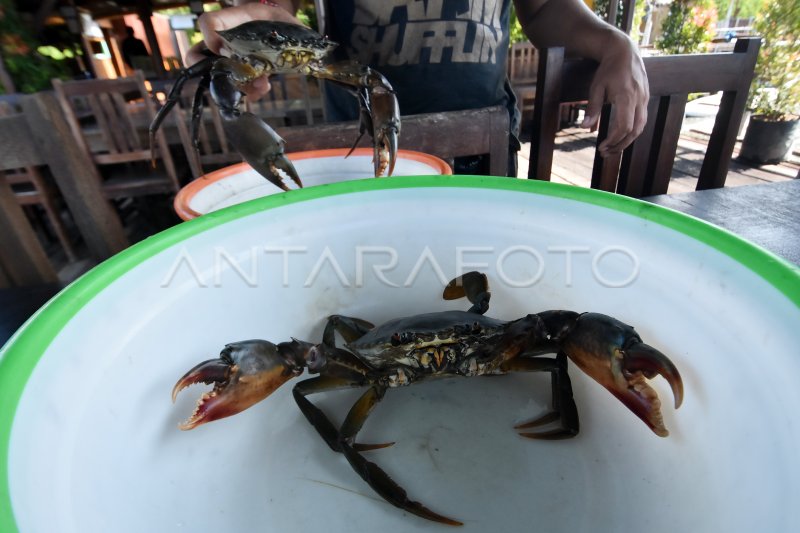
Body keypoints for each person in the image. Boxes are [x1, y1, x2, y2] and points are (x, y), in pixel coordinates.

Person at [187, 0, 649, 176]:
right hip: (359, 149)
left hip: (483, 150)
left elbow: (544, 8)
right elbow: (275, 5)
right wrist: (261, 21)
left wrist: (612, 40)